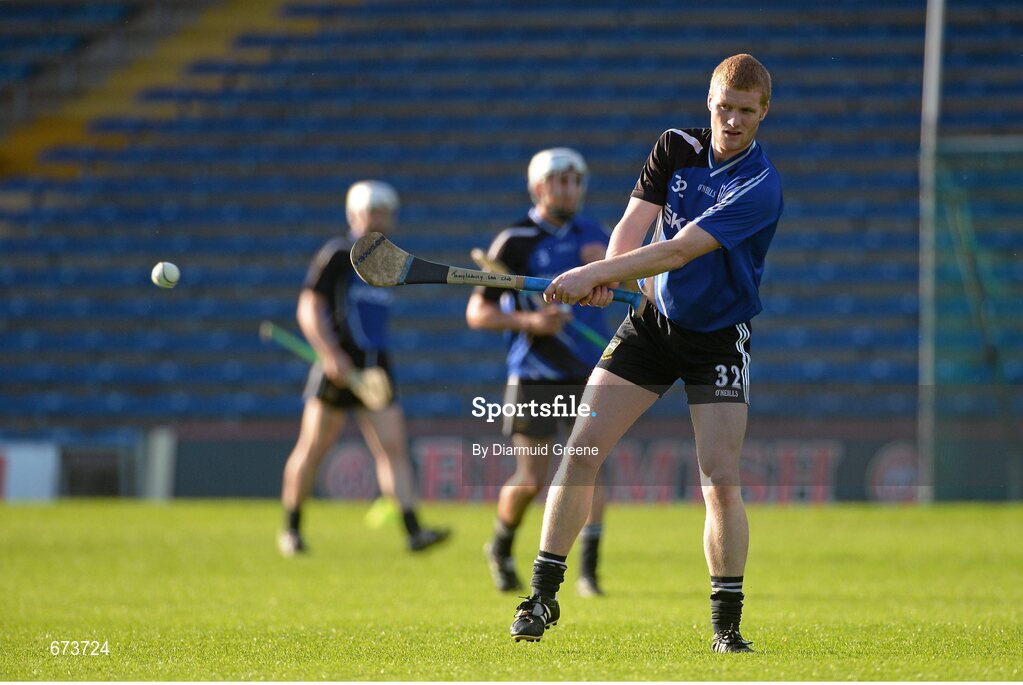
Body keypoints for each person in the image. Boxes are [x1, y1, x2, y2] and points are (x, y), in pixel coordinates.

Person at [508, 54, 783, 653]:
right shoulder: (674, 146)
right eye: (723, 108)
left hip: (717, 337)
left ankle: (726, 627)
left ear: (763, 113)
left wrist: (592, 272)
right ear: (708, 102)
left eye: (745, 111)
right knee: (581, 449)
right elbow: (636, 226)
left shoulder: (760, 185)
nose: (731, 121)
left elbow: (679, 251)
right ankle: (541, 595)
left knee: (719, 479)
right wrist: (606, 276)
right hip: (652, 323)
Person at [466, 148, 613, 598]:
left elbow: (629, 287)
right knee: (531, 479)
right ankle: (501, 546)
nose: (568, 190)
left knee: (590, 472)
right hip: (533, 373)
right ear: (538, 187)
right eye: (559, 181)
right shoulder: (514, 241)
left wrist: (608, 267)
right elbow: (478, 313)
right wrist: (530, 321)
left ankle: (588, 573)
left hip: (588, 372)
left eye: (575, 182)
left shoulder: (596, 237)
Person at [278, 180, 450, 556]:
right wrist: (329, 354)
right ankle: (291, 529)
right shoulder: (338, 254)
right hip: (337, 364)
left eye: (386, 212)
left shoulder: (389, 259)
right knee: (314, 446)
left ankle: (413, 531)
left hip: (376, 368)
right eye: (373, 211)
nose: (380, 219)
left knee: (393, 447)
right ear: (355, 214)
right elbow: (309, 307)